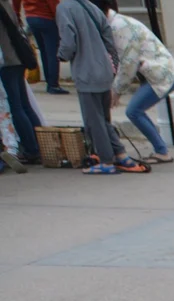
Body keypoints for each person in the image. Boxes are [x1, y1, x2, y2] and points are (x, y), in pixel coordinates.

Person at [56, 0, 146, 173]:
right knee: (103, 119)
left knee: (93, 120)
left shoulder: (65, 8)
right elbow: (108, 37)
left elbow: (68, 41)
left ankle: (106, 161)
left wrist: (61, 56)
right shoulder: (91, 6)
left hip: (86, 71)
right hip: (104, 70)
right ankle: (120, 155)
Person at [101, 0, 174, 163]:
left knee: (134, 111)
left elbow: (129, 62)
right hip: (158, 72)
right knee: (136, 110)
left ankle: (162, 151)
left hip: (161, 74)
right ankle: (161, 149)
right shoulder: (119, 23)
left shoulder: (118, 27)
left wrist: (117, 90)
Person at [0, 0, 42, 164]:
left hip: (7, 60)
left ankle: (31, 149)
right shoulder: (6, 3)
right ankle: (39, 146)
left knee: (15, 106)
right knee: (25, 105)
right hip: (17, 57)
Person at [19, 0, 64, 94]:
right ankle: (53, 85)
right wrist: (59, 18)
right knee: (52, 52)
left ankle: (49, 81)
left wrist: (16, 14)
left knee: (44, 51)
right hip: (47, 17)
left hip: (30, 17)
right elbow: (53, 3)